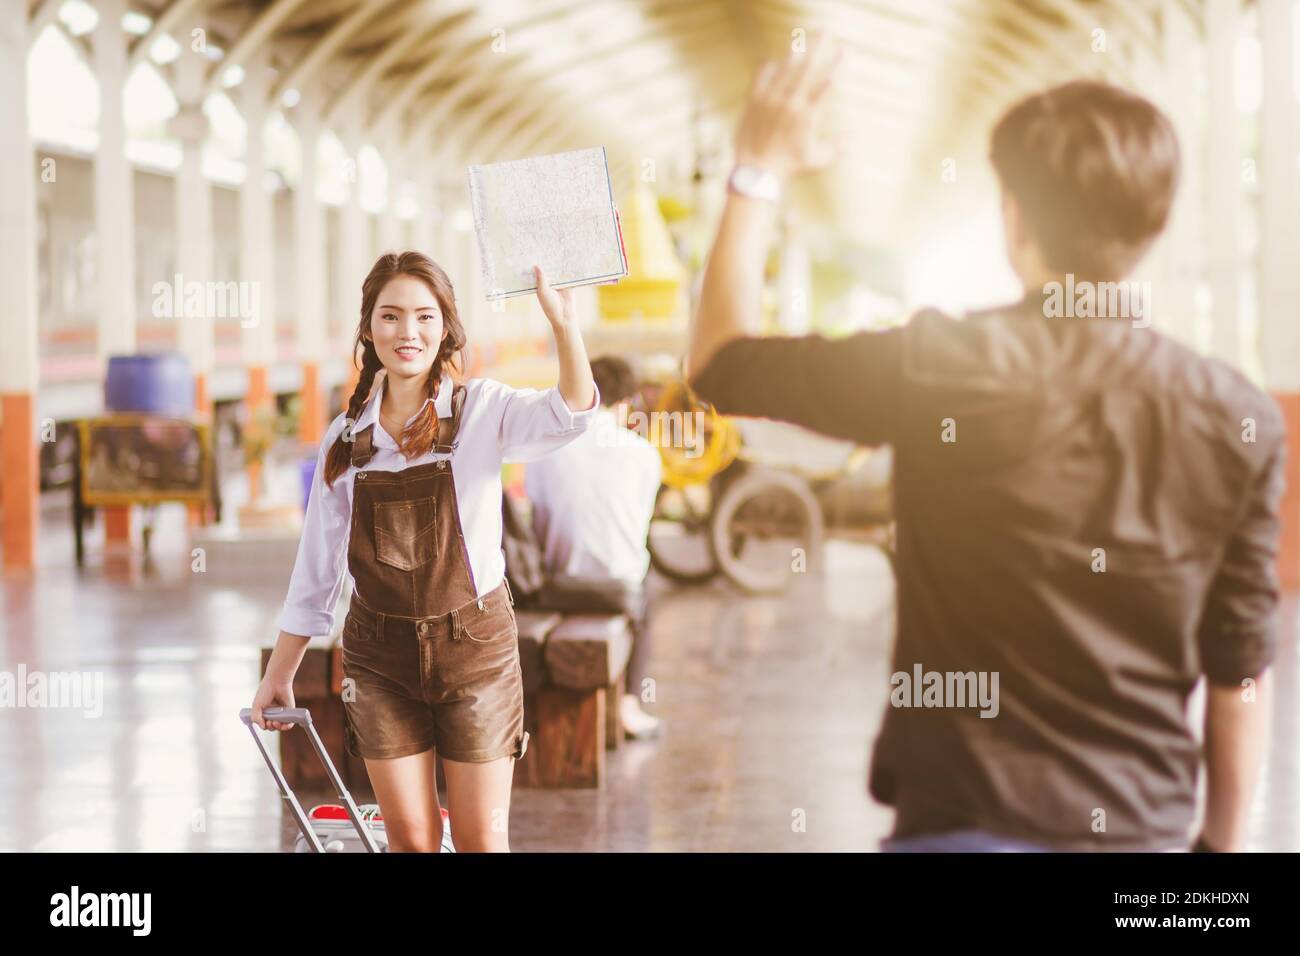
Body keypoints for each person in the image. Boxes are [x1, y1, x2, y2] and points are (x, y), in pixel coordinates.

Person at [687, 34, 1286, 852]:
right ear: (1156, 222)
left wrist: (757, 168)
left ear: (1014, 217)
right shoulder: (1237, 417)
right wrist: (1219, 853)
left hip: (962, 826)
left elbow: (720, 363)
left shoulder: (941, 365)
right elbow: (1240, 666)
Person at [251, 251, 599, 852]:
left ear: (445, 328)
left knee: (480, 842)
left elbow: (568, 414)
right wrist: (280, 673)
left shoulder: (483, 410)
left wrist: (566, 328)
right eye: (389, 317)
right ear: (367, 328)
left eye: (423, 317)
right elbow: (316, 573)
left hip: (477, 653)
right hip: (379, 662)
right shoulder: (346, 439)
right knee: (411, 842)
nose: (406, 333)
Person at [524, 356, 664, 738]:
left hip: (557, 586)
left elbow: (538, 524)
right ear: (628, 402)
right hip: (617, 590)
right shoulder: (645, 454)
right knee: (646, 585)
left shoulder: (545, 448)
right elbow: (639, 526)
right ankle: (631, 705)